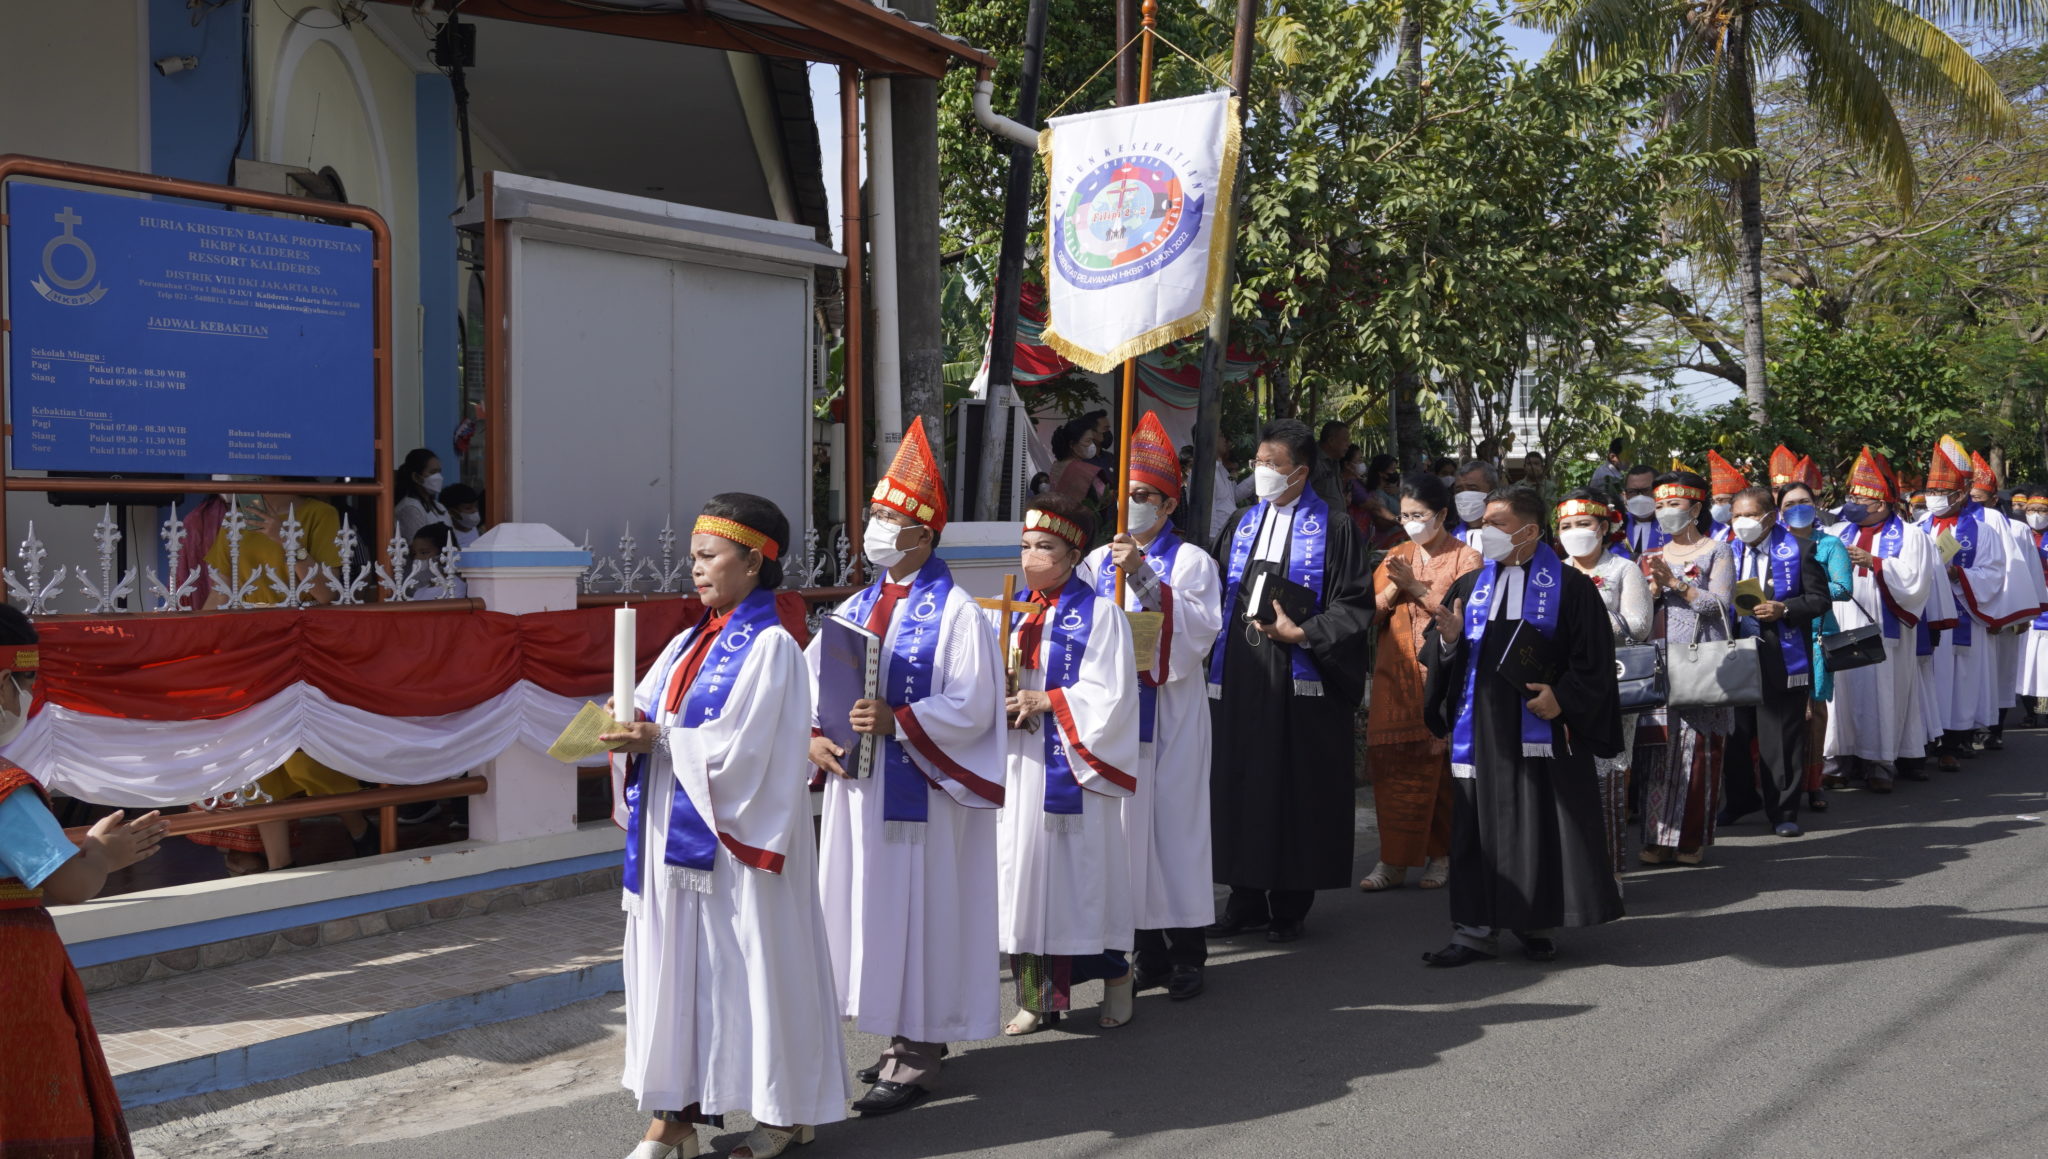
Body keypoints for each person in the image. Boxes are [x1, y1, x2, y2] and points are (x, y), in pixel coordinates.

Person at [601, 493, 849, 1159]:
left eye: (709, 556)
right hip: (674, 847)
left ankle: (784, 1112)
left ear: (755, 558)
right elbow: (649, 708)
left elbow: (746, 750)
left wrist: (661, 736)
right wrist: (624, 726)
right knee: (678, 978)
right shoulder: (688, 641)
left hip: (739, 848)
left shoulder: (772, 647)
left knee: (756, 971)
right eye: (693, 558)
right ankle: (673, 1116)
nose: (698, 570)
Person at [806, 419, 1003, 1116]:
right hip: (860, 789)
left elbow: (975, 703)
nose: (876, 527)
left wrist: (901, 720)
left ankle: (921, 1047)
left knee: (921, 913)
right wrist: (812, 737)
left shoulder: (956, 613)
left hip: (919, 792)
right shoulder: (858, 604)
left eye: (890, 517)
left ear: (923, 533)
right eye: (876, 515)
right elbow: (817, 681)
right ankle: (896, 1032)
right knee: (868, 911)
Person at [1418, 486, 1625, 966]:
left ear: (1529, 532)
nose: (1485, 532)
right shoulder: (1470, 587)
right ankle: (1472, 931)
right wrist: (1448, 642)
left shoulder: (1571, 589)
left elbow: (1594, 663)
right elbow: (1440, 653)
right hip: (1482, 736)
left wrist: (1563, 698)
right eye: (1484, 522)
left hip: (1542, 734)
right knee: (1476, 827)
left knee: (1540, 826)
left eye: (1498, 524)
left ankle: (1535, 922)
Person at [0, 611, 169, 1159]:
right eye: (26, 682)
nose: (27, 696)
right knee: (25, 1085)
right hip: (10, 967)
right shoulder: (7, 789)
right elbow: (68, 884)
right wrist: (102, 852)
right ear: (5, 683)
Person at [1206, 419, 1375, 942]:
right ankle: (1245, 896)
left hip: (1304, 678)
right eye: (1257, 462)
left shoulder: (1337, 528)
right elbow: (1214, 593)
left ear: (1300, 473)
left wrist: (1303, 631)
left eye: (1271, 465)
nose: (1259, 472)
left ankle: (1290, 903)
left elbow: (1355, 604)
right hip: (1240, 675)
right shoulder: (1240, 524)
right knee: (1240, 782)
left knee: (1295, 786)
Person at [1080, 412, 1224, 1002]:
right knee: (1126, 833)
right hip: (1119, 715)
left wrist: (1141, 576)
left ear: (1168, 506)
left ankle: (1189, 951)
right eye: (1126, 496)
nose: (1133, 505)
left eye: (1144, 497)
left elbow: (1195, 632)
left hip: (1171, 713)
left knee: (1174, 830)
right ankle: (1147, 952)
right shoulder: (1093, 563)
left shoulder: (1192, 562)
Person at [996, 493, 1141, 1034]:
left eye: (1045, 547)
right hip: (1022, 763)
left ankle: (1116, 978)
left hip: (1076, 769)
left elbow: (1113, 696)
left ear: (1073, 551)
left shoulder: (1101, 615)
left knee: (1081, 879)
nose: (1032, 556)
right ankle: (1036, 997)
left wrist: (1050, 702)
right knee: (1025, 876)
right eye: (1026, 545)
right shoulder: (1014, 610)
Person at [194, 485, 369, 874]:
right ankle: (280, 866)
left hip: (301, 647)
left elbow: (327, 593)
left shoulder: (319, 515)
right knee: (259, 760)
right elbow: (220, 593)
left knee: (304, 762)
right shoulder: (237, 518)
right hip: (251, 648)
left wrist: (289, 542)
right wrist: (195, 640)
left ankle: (360, 829)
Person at [1361, 473, 1480, 892]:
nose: (1411, 522)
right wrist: (1395, 591)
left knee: (1440, 770)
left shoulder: (1466, 558)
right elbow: (1370, 614)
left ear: (1442, 514)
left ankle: (1441, 854)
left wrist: (1415, 587)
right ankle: (1392, 860)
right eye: (1405, 514)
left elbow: (1464, 621)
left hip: (1444, 678)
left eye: (1420, 515)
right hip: (1395, 679)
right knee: (1392, 768)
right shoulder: (1395, 553)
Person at [1823, 448, 1939, 794]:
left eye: (1862, 498)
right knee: (1840, 694)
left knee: (1882, 692)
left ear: (1883, 504)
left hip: (1884, 629)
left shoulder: (1911, 535)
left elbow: (1916, 582)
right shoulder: (1839, 532)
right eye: (1852, 496)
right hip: (1841, 622)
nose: (1854, 502)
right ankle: (1838, 760)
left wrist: (1875, 562)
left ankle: (1881, 762)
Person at [1718, 487, 1832, 837]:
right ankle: (1739, 799)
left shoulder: (1800, 549)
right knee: (1734, 733)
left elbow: (1819, 599)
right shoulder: (1724, 550)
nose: (1742, 523)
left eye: (1750, 515)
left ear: (1770, 516)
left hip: (1781, 650)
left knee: (1780, 735)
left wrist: (1786, 609)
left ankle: (1783, 808)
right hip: (1734, 651)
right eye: (1736, 515)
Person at [1635, 471, 1735, 866]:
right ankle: (1657, 836)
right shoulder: (1649, 556)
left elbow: (1719, 605)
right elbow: (1638, 613)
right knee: (1660, 750)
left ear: (1695, 508)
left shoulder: (1718, 550)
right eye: (1659, 506)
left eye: (1673, 505)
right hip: (1659, 660)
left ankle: (1691, 836)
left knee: (1699, 751)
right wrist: (1653, 591)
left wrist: (1676, 585)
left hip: (1702, 659)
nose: (1664, 513)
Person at [1921, 438, 2034, 769]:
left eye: (1939, 492)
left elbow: (1994, 573)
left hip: (1965, 615)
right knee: (1929, 678)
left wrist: (1958, 574)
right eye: (1930, 491)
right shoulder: (1918, 526)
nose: (1933, 498)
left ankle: (1953, 743)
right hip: (1926, 615)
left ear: (1959, 494)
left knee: (1959, 681)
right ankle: (1927, 738)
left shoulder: (1983, 531)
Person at [1557, 491, 1652, 874]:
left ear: (1604, 527)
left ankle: (1609, 870)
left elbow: (1639, 626)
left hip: (1611, 685)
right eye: (1566, 526)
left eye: (1583, 524)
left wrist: (1583, 621)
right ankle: (1573, 869)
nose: (1575, 532)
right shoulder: (1553, 572)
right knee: (1567, 777)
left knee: (1608, 774)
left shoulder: (1624, 570)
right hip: (1562, 687)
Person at [1778, 471, 1854, 812]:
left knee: (1815, 711)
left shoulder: (1829, 544)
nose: (1797, 509)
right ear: (1779, 512)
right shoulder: (1774, 545)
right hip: (1777, 632)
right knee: (1777, 710)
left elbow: (1843, 588)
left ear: (1817, 505)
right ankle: (1778, 779)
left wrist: (1808, 590)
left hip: (1817, 632)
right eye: (1789, 504)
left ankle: (1813, 783)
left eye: (1803, 503)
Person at [1972, 452, 2040, 751]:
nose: (1972, 500)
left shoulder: (2017, 529)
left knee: (2001, 671)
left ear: (1991, 497)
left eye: (1978, 496)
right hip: (1971, 612)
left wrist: (2022, 614)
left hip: (2005, 612)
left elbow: (2027, 572)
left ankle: (1994, 728)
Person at [2013, 483, 2048, 726]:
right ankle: (2029, 711)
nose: (2036, 514)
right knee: (2027, 662)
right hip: (2027, 602)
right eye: (2031, 509)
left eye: (2041, 510)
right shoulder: (2018, 535)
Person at [394, 448, 451, 542]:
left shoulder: (439, 507)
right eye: (433, 472)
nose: (438, 477)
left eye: (439, 472)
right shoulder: (410, 508)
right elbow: (419, 547)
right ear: (416, 477)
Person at [1051, 421, 1110, 507]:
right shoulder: (1085, 470)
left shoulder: (1056, 466)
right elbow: (1104, 497)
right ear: (1072, 445)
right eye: (1088, 441)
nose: (1092, 445)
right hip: (1079, 518)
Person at [1615, 464, 1666, 558]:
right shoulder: (1617, 524)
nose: (1640, 497)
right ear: (1625, 495)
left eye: (1646, 490)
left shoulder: (1672, 525)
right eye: (1632, 491)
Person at [1449, 460, 1499, 547]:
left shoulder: (1511, 536)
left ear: (1493, 491)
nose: (1464, 496)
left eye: (1472, 488)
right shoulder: (1449, 538)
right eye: (1458, 490)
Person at [1310, 420, 1352, 509]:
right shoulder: (1313, 462)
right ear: (1331, 440)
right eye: (1345, 440)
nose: (1349, 444)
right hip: (1317, 520)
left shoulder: (1335, 461)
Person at [1706, 451, 1748, 541]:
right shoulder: (1719, 536)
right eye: (1714, 501)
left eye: (1720, 500)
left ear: (1736, 500)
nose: (1716, 505)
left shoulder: (1752, 533)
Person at [1208, 431, 1239, 543]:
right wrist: (1213, 542)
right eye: (1221, 435)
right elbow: (1209, 511)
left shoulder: (1221, 469)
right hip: (1218, 538)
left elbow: (1234, 495)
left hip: (1227, 535)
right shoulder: (1206, 472)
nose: (1225, 440)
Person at [440, 482, 484, 548]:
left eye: (476, 506)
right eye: (468, 508)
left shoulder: (473, 527)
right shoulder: (447, 536)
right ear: (452, 512)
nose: (475, 511)